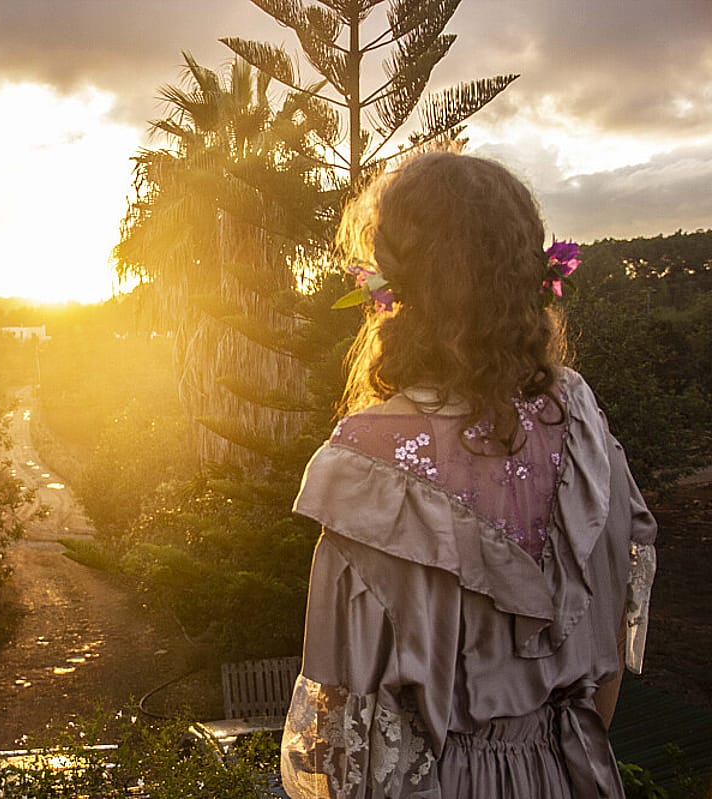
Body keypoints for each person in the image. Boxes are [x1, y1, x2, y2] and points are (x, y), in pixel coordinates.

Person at [279, 152, 657, 798]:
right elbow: (606, 675)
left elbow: (339, 748)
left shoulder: (367, 466)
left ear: (397, 289)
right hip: (569, 778)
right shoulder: (584, 428)